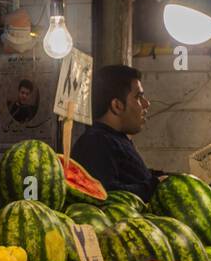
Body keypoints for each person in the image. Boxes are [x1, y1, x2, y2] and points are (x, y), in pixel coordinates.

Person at [70, 64, 165, 201]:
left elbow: (131, 178)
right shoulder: (96, 143)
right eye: (138, 97)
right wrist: (154, 186)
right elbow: (106, 195)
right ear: (117, 105)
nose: (146, 104)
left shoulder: (116, 138)